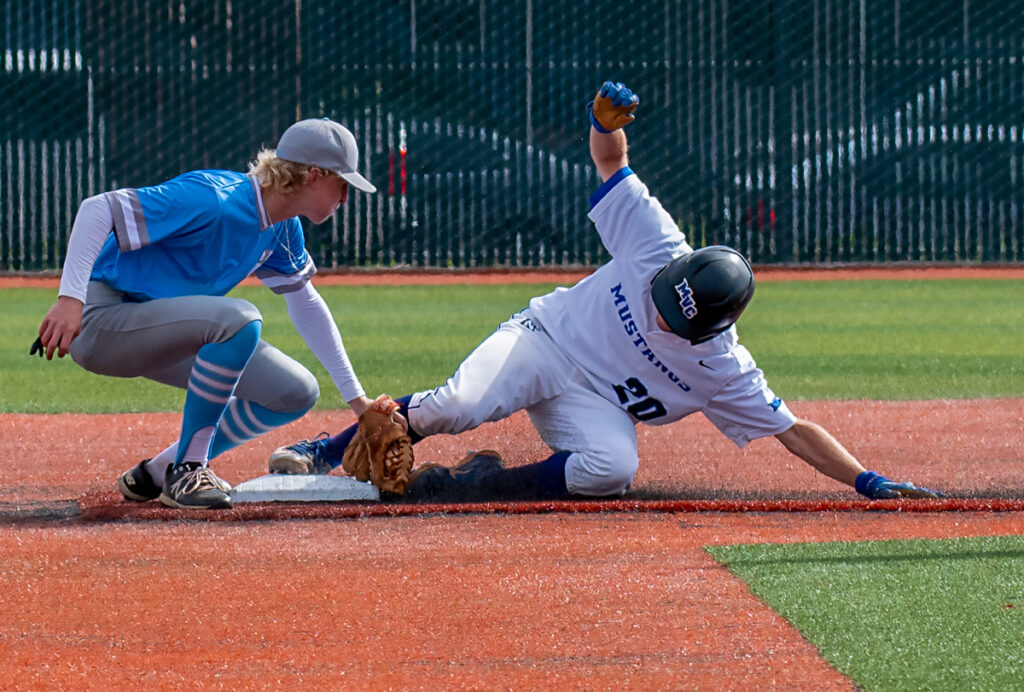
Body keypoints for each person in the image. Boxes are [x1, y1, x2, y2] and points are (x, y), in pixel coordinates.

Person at [269, 82, 942, 503]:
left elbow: (793, 431)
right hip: (547, 340)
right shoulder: (657, 242)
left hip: (590, 402)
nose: (658, 305)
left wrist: (865, 480)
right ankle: (323, 450)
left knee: (611, 470)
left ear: (708, 332)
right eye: (663, 292)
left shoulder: (725, 369)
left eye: (676, 317)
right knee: (458, 404)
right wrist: (602, 119)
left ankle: (487, 484)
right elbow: (610, 159)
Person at [34, 117, 398, 509]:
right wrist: (70, 298)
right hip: (103, 321)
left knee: (295, 392)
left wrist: (359, 404)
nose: (345, 197)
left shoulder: (282, 228)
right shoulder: (214, 198)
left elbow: (307, 304)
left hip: (161, 331)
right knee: (238, 320)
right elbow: (97, 209)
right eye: (342, 183)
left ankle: (160, 471)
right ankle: (189, 470)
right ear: (313, 175)